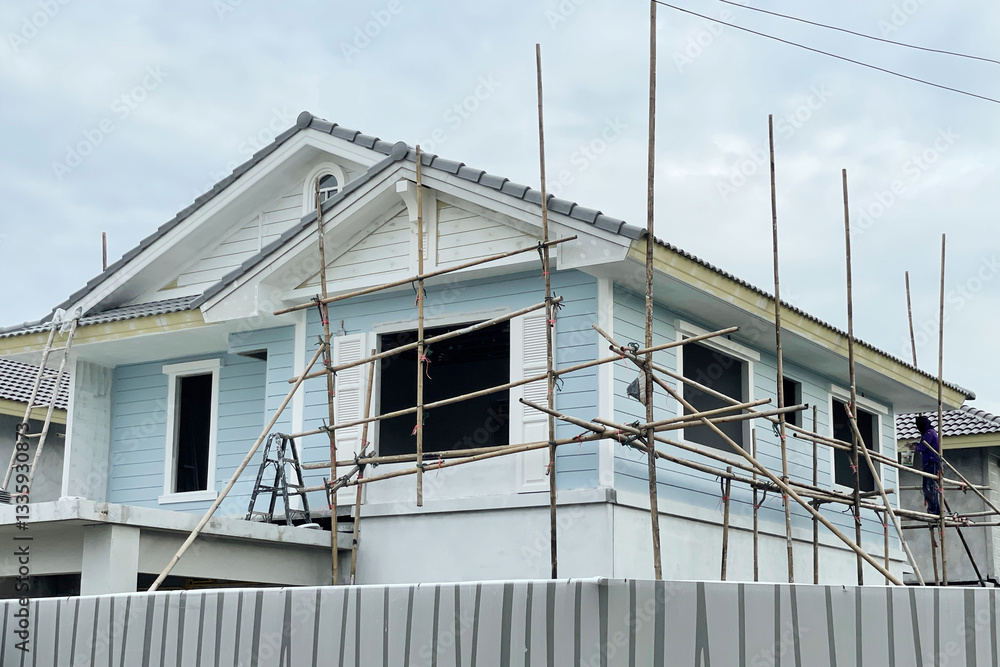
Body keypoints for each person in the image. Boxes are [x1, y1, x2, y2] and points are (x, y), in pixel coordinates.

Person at [913, 415, 941, 516]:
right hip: (929, 463)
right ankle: (934, 509)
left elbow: (923, 447)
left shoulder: (929, 433)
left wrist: (915, 447)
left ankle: (934, 510)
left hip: (931, 463)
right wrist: (916, 445)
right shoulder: (929, 432)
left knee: (930, 487)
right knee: (929, 487)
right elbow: (924, 445)